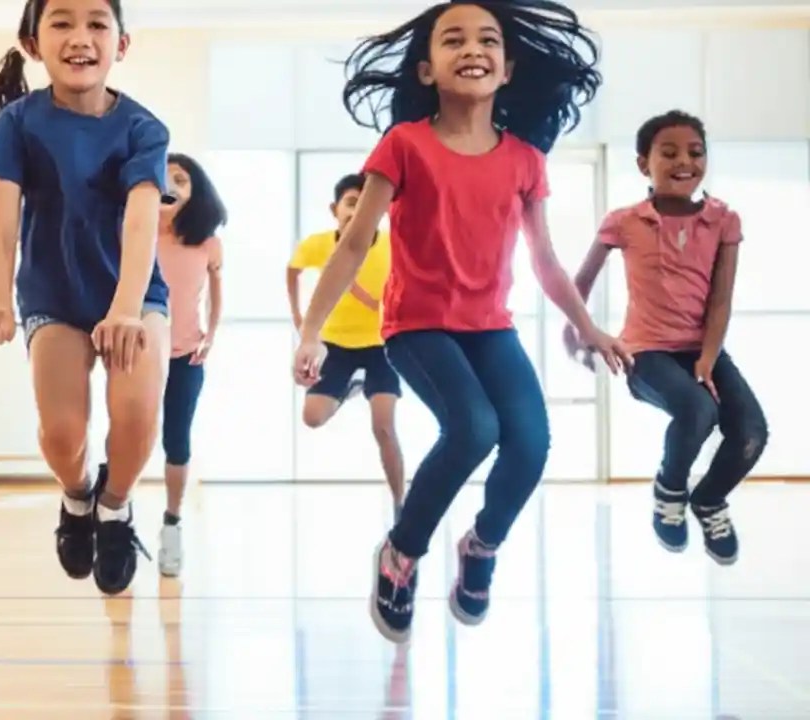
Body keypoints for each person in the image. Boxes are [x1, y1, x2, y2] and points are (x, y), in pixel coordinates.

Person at [293, 0, 632, 643]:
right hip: (417, 326)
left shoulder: (526, 160)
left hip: (490, 327)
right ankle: (402, 553)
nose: (472, 48)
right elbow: (355, 242)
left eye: (488, 40)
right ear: (427, 70)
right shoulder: (404, 146)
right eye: (453, 39)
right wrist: (310, 331)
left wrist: (591, 328)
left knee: (530, 441)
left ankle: (481, 547)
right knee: (474, 427)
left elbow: (547, 261)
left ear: (507, 69)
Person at [0, 0, 170, 596]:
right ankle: (78, 496)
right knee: (61, 433)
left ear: (121, 45)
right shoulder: (18, 125)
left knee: (135, 413)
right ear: (33, 42)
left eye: (97, 23)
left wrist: (126, 310)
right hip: (53, 296)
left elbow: (140, 225)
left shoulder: (142, 129)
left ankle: (115, 506)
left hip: (133, 296)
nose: (80, 36)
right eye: (61, 22)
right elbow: (1, 228)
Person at [565, 110, 766, 566]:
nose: (684, 162)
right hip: (646, 352)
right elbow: (581, 281)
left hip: (702, 348)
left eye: (696, 153)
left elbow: (720, 300)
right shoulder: (624, 221)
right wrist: (575, 331)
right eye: (669, 152)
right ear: (644, 164)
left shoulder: (723, 220)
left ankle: (710, 500)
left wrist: (708, 359)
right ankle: (669, 490)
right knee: (698, 411)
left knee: (751, 433)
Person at [287, 172, 405, 513]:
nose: (357, 211)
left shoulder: (393, 244)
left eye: (366, 204)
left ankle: (400, 503)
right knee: (312, 417)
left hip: (381, 346)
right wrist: (300, 319)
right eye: (351, 203)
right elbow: (293, 270)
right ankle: (351, 386)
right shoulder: (317, 244)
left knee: (384, 427)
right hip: (335, 345)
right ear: (334, 209)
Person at [155, 152, 226, 577]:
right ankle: (115, 517)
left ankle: (172, 523)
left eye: (180, 179)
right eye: (162, 178)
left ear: (194, 190)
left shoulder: (207, 242)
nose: (171, 185)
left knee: (176, 442)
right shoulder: (135, 233)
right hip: (140, 357)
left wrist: (212, 335)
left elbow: (218, 293)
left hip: (186, 356)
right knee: (125, 437)